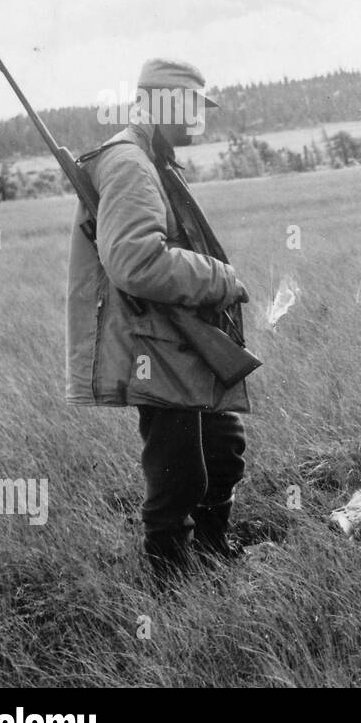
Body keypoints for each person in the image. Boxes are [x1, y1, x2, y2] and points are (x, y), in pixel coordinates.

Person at [65, 58, 252, 590]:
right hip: (153, 343)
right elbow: (135, 261)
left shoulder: (152, 158)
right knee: (177, 471)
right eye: (193, 106)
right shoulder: (129, 163)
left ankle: (216, 559)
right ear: (164, 103)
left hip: (177, 335)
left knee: (223, 447)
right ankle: (170, 587)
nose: (200, 119)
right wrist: (221, 278)